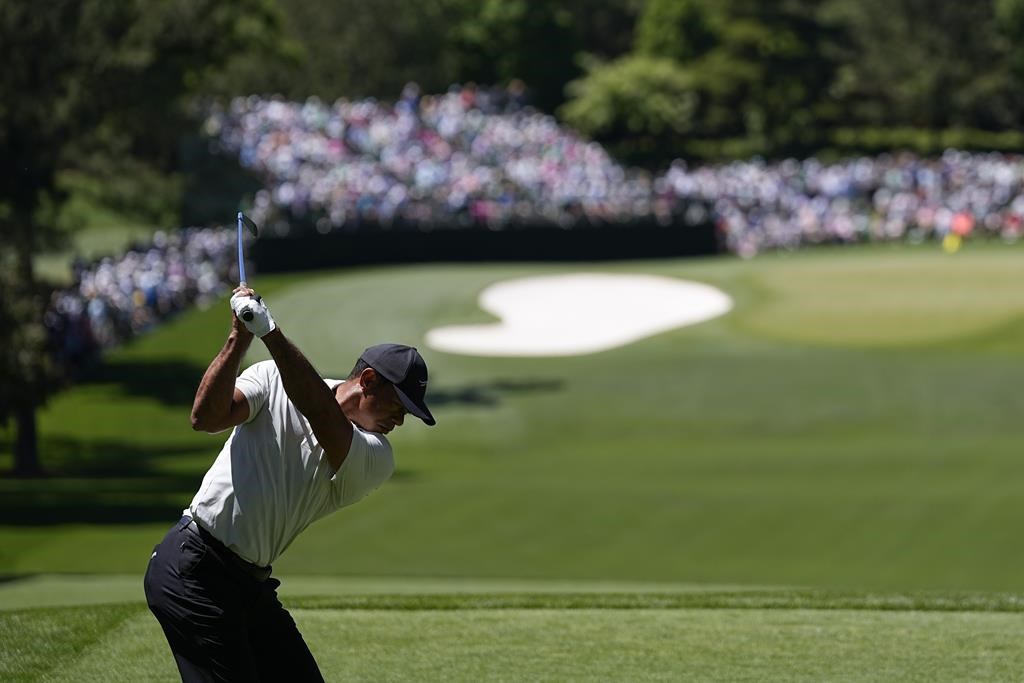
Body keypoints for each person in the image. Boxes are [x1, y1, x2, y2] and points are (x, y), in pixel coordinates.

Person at [144, 286, 435, 682]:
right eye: (397, 407)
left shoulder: (376, 456)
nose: (398, 422)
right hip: (192, 568)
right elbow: (205, 418)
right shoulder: (270, 377)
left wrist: (270, 332)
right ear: (367, 380)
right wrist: (240, 337)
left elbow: (319, 411)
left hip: (248, 584)